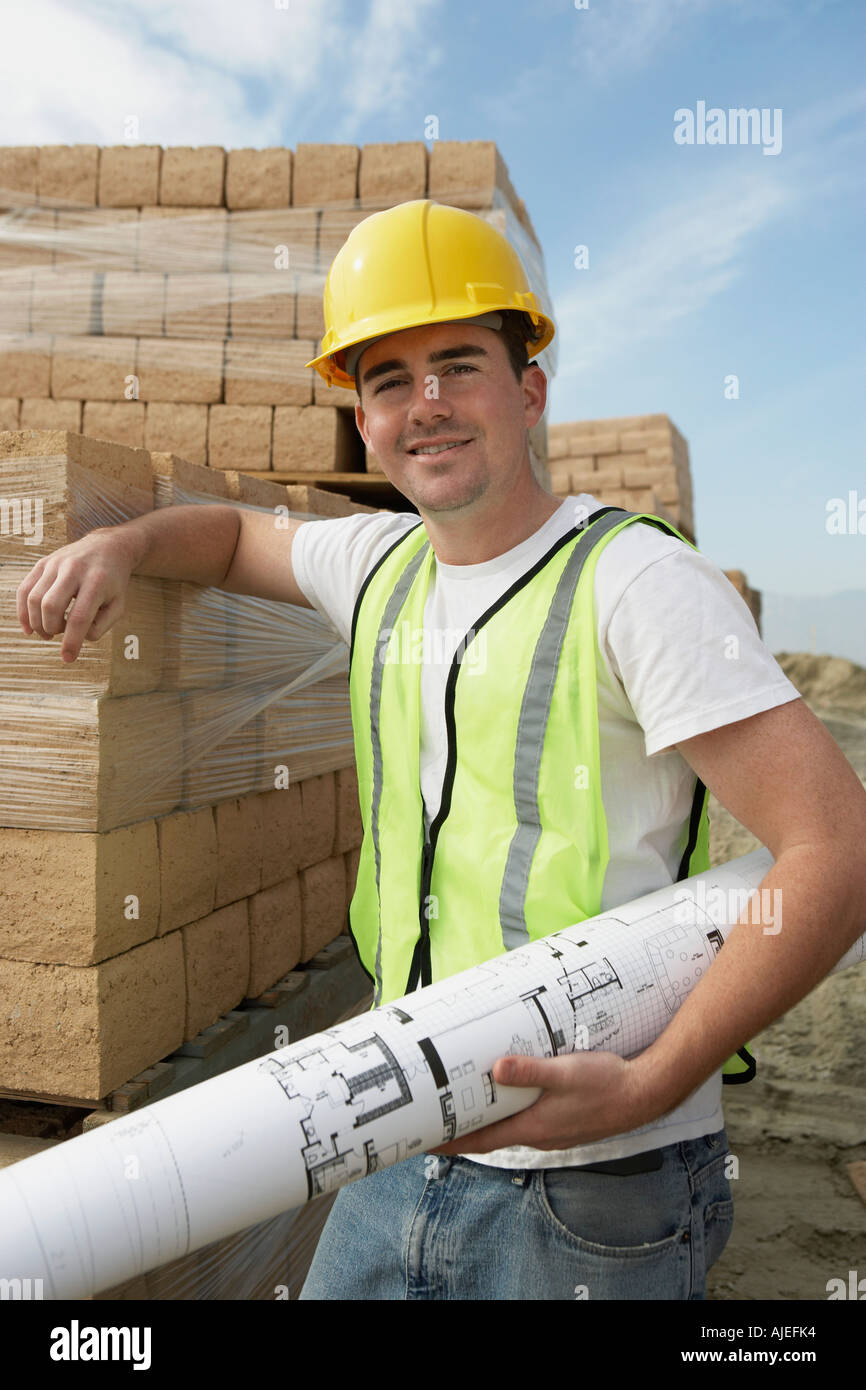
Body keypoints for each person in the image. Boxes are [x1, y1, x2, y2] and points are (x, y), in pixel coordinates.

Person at [16, 200, 866, 1303]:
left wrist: (654, 1080)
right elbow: (227, 536)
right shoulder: (376, 565)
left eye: (456, 366)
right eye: (386, 380)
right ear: (362, 423)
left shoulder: (636, 584)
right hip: (404, 1128)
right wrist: (124, 542)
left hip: (594, 1179)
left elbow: (833, 852)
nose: (423, 406)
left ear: (529, 391)